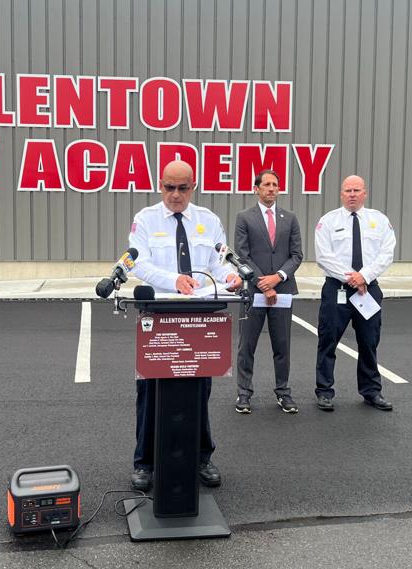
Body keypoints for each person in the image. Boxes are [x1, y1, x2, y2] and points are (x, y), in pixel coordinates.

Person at [127, 160, 243, 492]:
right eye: (169, 187)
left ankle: (201, 457)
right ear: (159, 185)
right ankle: (145, 463)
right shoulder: (145, 220)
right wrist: (174, 280)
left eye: (182, 188)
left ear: (193, 187)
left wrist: (230, 277)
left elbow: (218, 263)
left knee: (198, 390)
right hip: (159, 316)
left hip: (200, 317)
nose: (175, 195)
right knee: (150, 392)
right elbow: (140, 263)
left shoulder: (209, 220)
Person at [314, 175, 396, 412]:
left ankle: (371, 391)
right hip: (336, 289)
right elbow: (323, 256)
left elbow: (386, 253)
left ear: (365, 193)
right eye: (348, 190)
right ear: (341, 194)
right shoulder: (328, 221)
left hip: (368, 289)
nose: (352, 194)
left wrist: (365, 276)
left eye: (356, 190)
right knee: (328, 341)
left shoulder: (378, 220)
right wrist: (352, 277)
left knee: (369, 342)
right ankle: (324, 391)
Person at [233, 170, 303, 414]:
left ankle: (283, 393)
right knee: (247, 345)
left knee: (282, 345)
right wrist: (263, 282)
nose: (272, 188)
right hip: (254, 291)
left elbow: (297, 255)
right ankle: (244, 394)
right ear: (256, 189)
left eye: (275, 185)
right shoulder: (244, 218)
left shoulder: (290, 218)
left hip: (282, 291)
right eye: (267, 184)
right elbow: (242, 255)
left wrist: (278, 278)